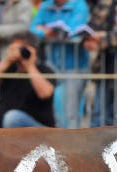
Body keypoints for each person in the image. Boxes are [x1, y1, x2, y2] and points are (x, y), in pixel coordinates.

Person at [30, 0, 90, 128]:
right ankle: (60, 145)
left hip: (74, 67)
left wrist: (49, 31)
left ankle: (72, 147)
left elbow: (74, 30)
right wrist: (44, 32)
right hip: (52, 66)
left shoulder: (79, 5)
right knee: (55, 114)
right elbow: (33, 28)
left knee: (70, 115)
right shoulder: (46, 5)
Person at [0, 31, 55, 127]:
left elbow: (45, 93)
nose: (19, 52)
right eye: (15, 49)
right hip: (7, 127)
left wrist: (30, 67)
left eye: (22, 48)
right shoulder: (8, 67)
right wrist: (7, 60)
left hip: (39, 129)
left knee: (12, 118)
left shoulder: (44, 69)